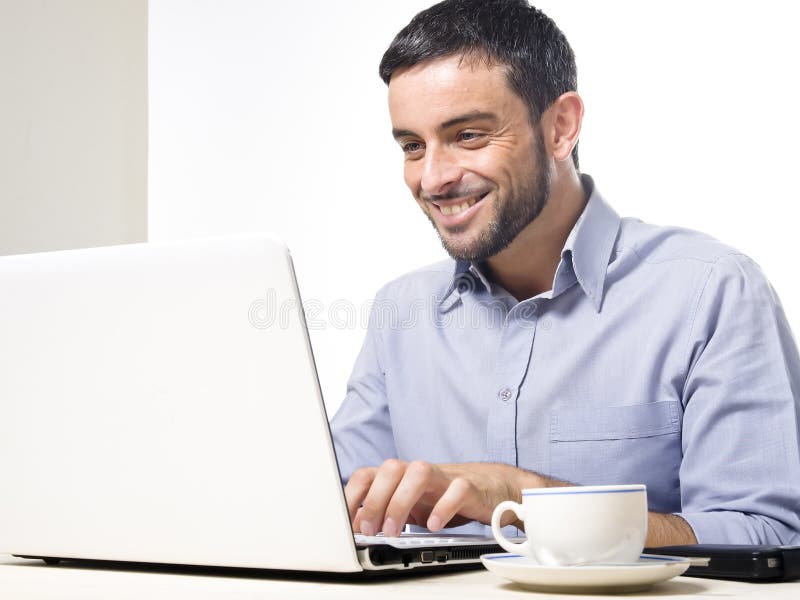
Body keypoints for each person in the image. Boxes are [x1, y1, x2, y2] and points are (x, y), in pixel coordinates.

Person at [330, 0, 800, 547]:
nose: (432, 178)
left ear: (560, 127)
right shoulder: (400, 313)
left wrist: (525, 495)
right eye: (413, 145)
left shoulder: (712, 292)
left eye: (468, 136)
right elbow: (327, 506)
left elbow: (770, 538)